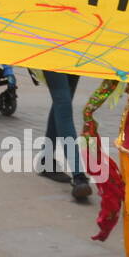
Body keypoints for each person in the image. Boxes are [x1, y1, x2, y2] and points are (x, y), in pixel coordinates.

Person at [37, 71, 93, 203]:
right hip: (52, 53)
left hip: (75, 55)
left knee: (61, 102)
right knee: (63, 105)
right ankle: (78, 175)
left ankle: (47, 160)